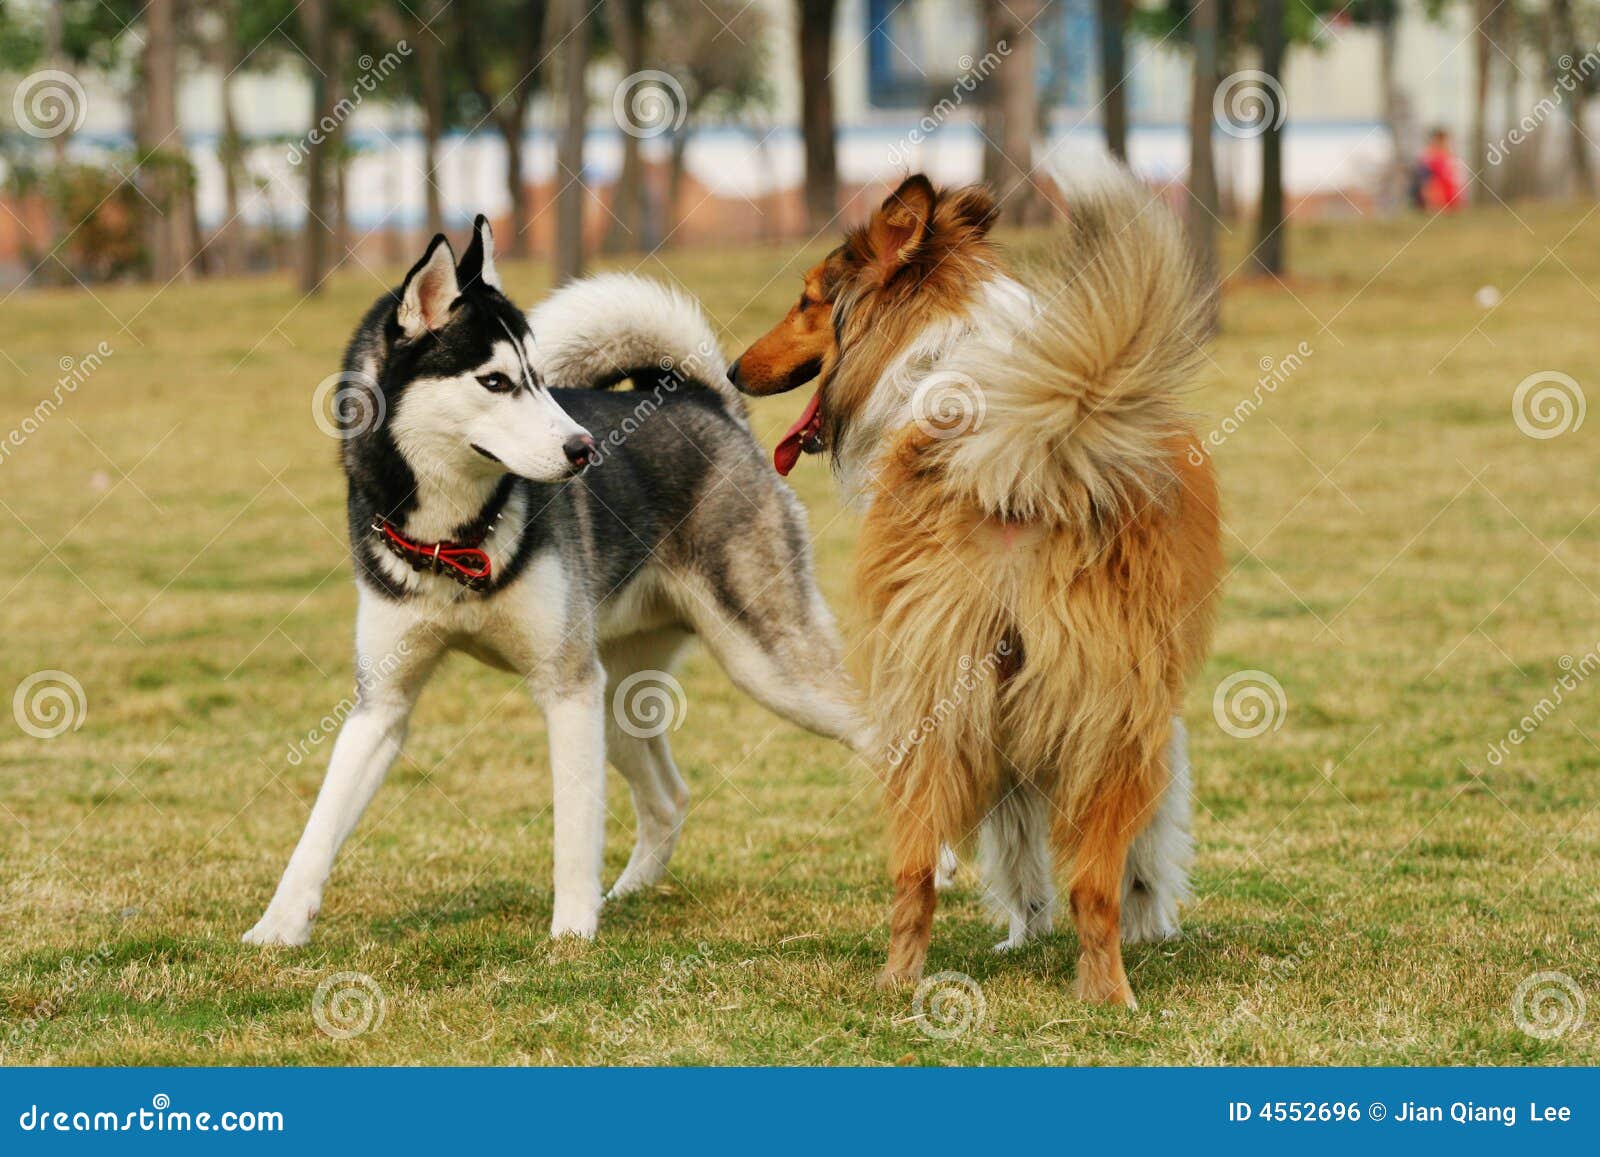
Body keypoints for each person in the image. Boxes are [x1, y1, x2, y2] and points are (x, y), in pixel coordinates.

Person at [1410, 128, 1464, 212]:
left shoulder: (1450, 156)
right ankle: (1431, 206)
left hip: (1449, 191)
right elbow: (1424, 177)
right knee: (1429, 181)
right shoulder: (1428, 155)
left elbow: (1455, 177)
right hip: (1435, 188)